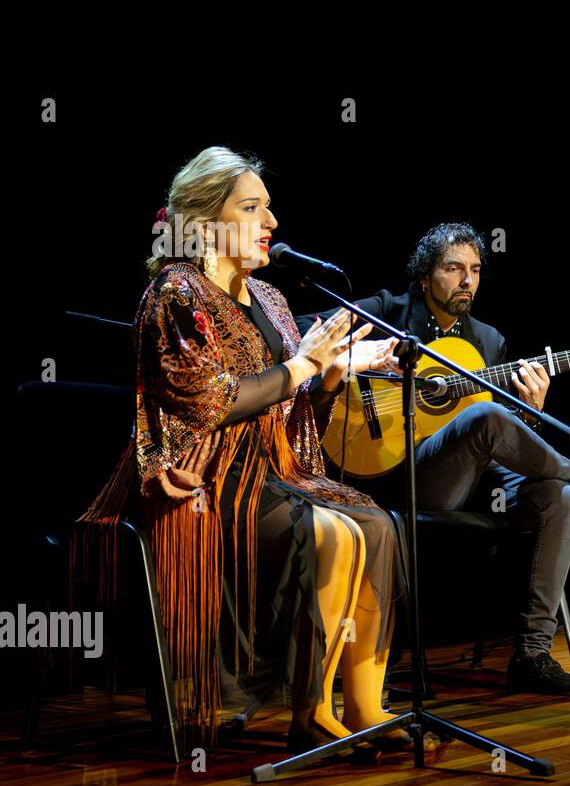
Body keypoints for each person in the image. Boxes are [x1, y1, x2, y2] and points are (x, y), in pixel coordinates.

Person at [77, 146, 419, 753]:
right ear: (207, 222)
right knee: (332, 531)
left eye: (270, 209)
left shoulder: (273, 301)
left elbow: (293, 417)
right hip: (206, 483)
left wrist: (328, 377)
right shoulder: (175, 293)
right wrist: (302, 365)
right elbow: (209, 401)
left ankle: (365, 707)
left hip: (270, 473)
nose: (272, 224)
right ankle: (310, 710)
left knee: (378, 522)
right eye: (254, 208)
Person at [296, 222, 570, 695]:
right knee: (487, 419)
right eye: (453, 268)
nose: (467, 281)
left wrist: (532, 414)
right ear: (424, 276)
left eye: (475, 270)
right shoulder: (386, 312)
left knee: (556, 494)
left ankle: (533, 654)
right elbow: (300, 334)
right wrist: (360, 356)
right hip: (394, 477)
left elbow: (503, 443)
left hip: (468, 483)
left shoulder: (489, 342)